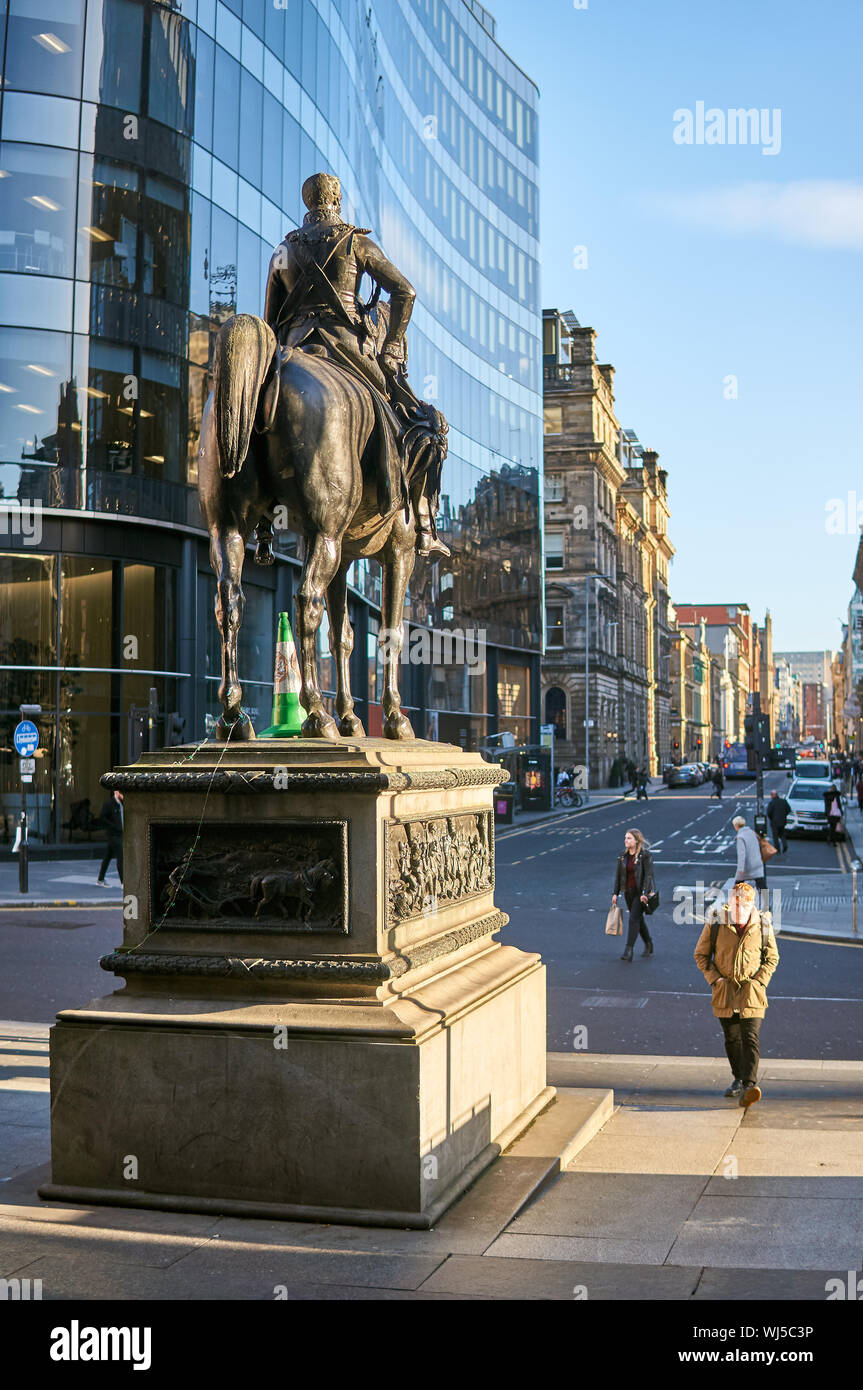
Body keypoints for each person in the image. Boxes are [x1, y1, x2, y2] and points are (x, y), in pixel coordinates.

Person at [263, 172, 449, 560]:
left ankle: (263, 519)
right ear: (337, 202)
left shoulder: (282, 250)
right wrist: (392, 343)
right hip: (347, 349)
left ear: (308, 204)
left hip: (292, 348)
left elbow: (269, 323)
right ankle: (424, 524)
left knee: (256, 416)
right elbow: (405, 291)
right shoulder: (355, 242)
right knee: (427, 426)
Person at [694, 880, 779, 1106]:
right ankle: (739, 1079)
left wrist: (759, 982)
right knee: (732, 1039)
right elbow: (701, 955)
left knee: (750, 1037)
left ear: (752, 906)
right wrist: (716, 980)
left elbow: (772, 958)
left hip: (752, 992)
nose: (738, 910)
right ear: (730, 902)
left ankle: (750, 1085)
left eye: (743, 906)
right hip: (725, 991)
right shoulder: (715, 923)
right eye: (735, 905)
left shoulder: (763, 924)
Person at [612, 828, 656, 962]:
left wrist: (644, 893)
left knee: (633, 919)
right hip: (628, 893)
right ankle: (648, 943)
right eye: (625, 838)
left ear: (636, 841)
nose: (626, 840)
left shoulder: (645, 855)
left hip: (640, 894)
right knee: (638, 919)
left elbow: (648, 876)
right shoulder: (622, 856)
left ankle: (628, 950)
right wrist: (615, 893)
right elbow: (619, 876)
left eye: (629, 838)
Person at [732, 814, 765, 893]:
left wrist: (740, 869)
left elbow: (741, 854)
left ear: (736, 825)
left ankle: (735, 904)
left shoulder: (740, 837)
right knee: (762, 885)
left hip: (747, 866)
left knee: (737, 886)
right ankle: (767, 904)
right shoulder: (752, 832)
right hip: (757, 863)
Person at [97, 789, 124, 884]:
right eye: (121, 793)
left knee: (108, 856)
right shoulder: (109, 804)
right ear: (116, 792)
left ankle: (100, 879)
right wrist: (113, 826)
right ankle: (123, 882)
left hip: (120, 833)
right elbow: (102, 818)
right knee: (121, 856)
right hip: (113, 834)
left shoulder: (121, 804)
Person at [766, 788, 789, 854]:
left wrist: (772, 818)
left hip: (774, 822)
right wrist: (784, 816)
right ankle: (785, 845)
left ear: (773, 795)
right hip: (782, 821)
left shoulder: (772, 803)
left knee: (775, 836)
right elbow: (788, 810)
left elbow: (769, 813)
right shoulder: (783, 801)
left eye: (771, 795)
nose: (771, 796)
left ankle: (777, 850)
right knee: (782, 834)